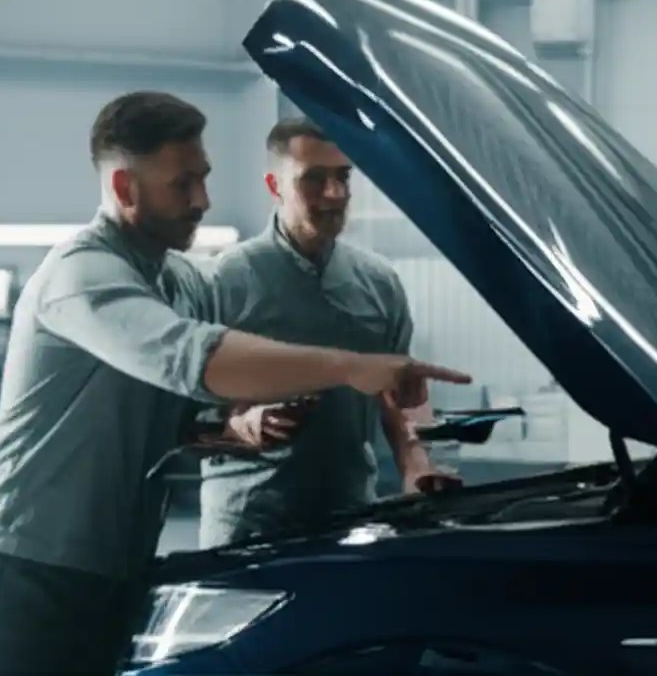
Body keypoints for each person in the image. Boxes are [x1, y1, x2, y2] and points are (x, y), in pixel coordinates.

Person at [0, 92, 470, 676]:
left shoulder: (178, 280)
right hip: (27, 562)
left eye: (204, 179)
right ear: (124, 189)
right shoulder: (81, 275)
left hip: (118, 564)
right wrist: (351, 366)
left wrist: (239, 433)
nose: (203, 200)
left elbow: (183, 424)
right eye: (182, 184)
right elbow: (192, 358)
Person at [195, 117, 462, 549]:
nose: (334, 194)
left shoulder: (378, 281)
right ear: (274, 185)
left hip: (350, 517)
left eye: (342, 177)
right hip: (247, 523)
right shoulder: (223, 281)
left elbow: (402, 397)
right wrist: (245, 423)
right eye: (313, 180)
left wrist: (417, 463)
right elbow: (185, 414)